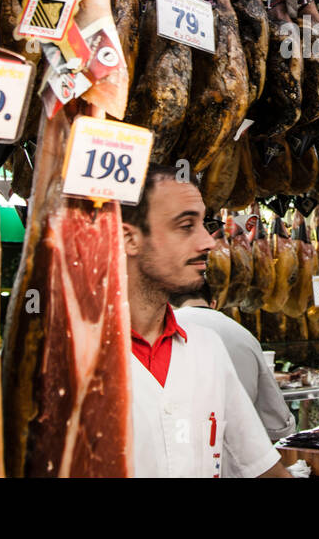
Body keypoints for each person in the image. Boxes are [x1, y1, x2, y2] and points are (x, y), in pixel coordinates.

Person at [123, 163, 291, 478]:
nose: (208, 242)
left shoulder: (207, 347)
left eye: (203, 224)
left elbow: (263, 468)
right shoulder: (69, 355)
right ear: (130, 239)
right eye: (186, 225)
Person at [173, 285, 298, 442]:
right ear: (214, 303)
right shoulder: (244, 335)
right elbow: (276, 421)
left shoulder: (164, 329)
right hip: (238, 449)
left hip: (180, 445)